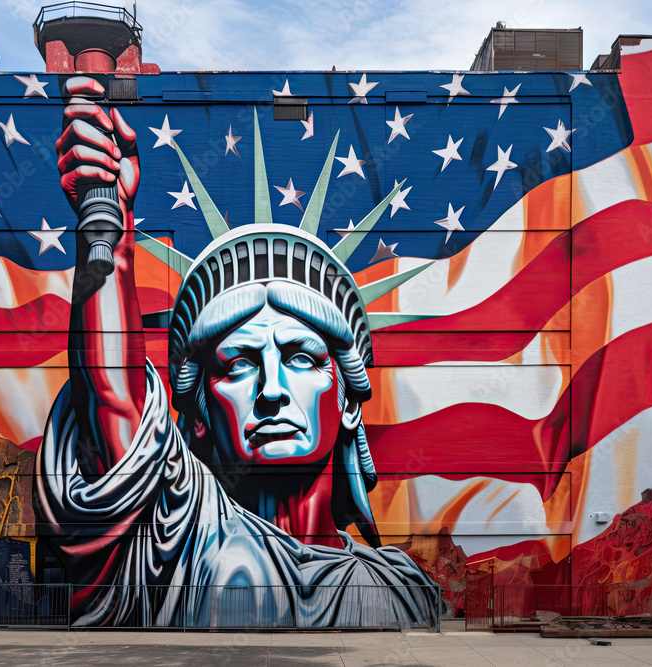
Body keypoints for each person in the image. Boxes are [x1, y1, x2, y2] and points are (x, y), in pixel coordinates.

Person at [33, 77, 440, 628]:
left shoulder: (400, 586)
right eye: (239, 365)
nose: (272, 392)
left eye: (301, 358)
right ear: (199, 413)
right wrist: (107, 228)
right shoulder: (178, 532)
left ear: (348, 400)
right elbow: (113, 395)